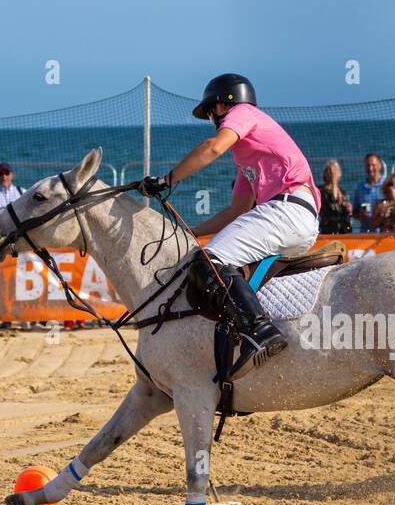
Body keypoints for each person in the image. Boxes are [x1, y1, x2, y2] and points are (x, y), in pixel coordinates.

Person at [137, 73, 320, 380]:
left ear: (224, 104)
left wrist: (167, 180)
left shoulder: (243, 114)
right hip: (293, 219)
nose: (212, 118)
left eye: (211, 111)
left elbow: (211, 148)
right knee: (220, 264)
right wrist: (191, 232)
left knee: (210, 262)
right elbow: (236, 211)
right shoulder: (247, 157)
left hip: (286, 210)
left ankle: (261, 331)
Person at [350, 153, 384, 233]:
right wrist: (360, 215)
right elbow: (355, 212)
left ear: (379, 166)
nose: (370, 168)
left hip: (384, 233)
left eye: (373, 165)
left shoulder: (387, 184)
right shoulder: (360, 187)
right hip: (366, 233)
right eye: (368, 165)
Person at [317, 159, 352, 234]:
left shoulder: (342, 192)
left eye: (335, 170)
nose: (333, 173)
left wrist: (348, 208)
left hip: (343, 229)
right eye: (329, 170)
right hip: (328, 228)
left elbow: (345, 211)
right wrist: (334, 182)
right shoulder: (321, 191)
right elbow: (332, 201)